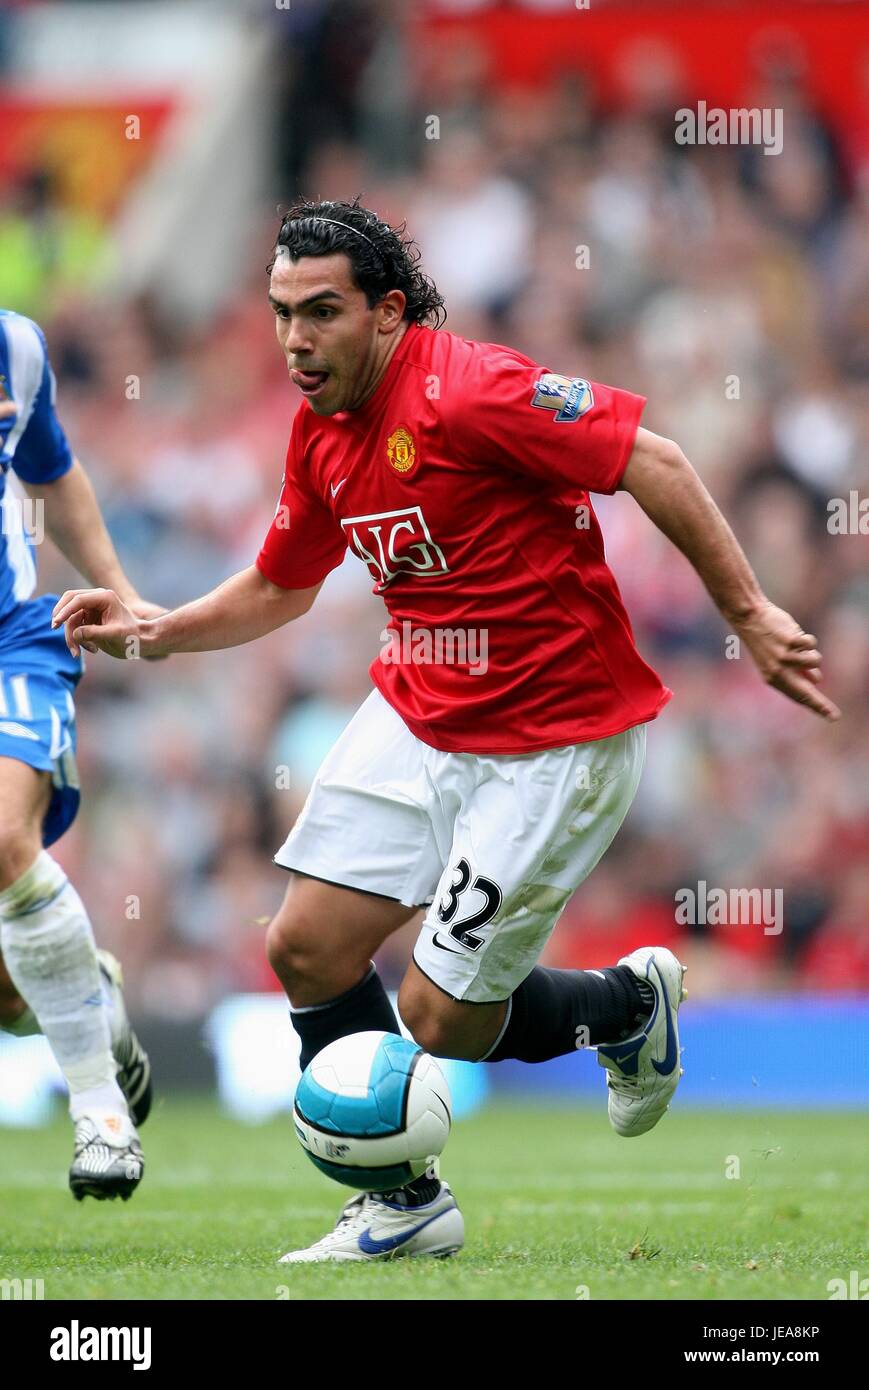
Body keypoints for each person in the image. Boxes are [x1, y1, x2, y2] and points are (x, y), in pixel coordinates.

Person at [52, 199, 839, 1256]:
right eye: (282, 312)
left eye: (321, 312)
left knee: (440, 1017)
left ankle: (622, 1005)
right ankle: (402, 1200)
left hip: (552, 739)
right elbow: (282, 586)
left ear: (385, 312)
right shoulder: (318, 431)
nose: (295, 339)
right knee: (305, 948)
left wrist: (746, 614)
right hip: (420, 712)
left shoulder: (471, 390)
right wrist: (160, 627)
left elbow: (650, 459)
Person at [0, 308, 157, 1201]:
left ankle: (99, 1114)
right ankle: (88, 996)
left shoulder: (14, 346)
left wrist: (124, 593)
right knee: (7, 999)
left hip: (12, 638)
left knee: (4, 843)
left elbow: (50, 473)